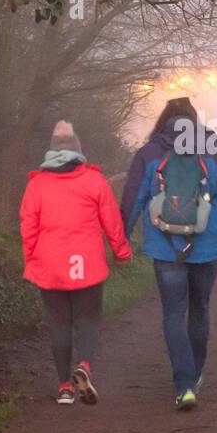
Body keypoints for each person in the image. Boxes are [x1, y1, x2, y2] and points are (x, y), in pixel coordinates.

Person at [121, 97, 217, 410]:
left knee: (173, 313)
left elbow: (132, 200)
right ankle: (195, 372)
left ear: (165, 121)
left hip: (165, 248)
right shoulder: (216, 152)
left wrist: (120, 240)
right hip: (208, 248)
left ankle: (184, 384)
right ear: (196, 122)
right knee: (200, 308)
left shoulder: (149, 153)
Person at [20, 120, 132, 405]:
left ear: (51, 151)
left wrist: (31, 261)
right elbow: (112, 223)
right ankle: (84, 365)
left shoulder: (37, 184)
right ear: (79, 149)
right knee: (88, 320)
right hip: (88, 265)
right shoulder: (94, 181)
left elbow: (28, 228)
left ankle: (63, 388)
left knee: (59, 325)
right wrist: (122, 253)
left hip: (51, 265)